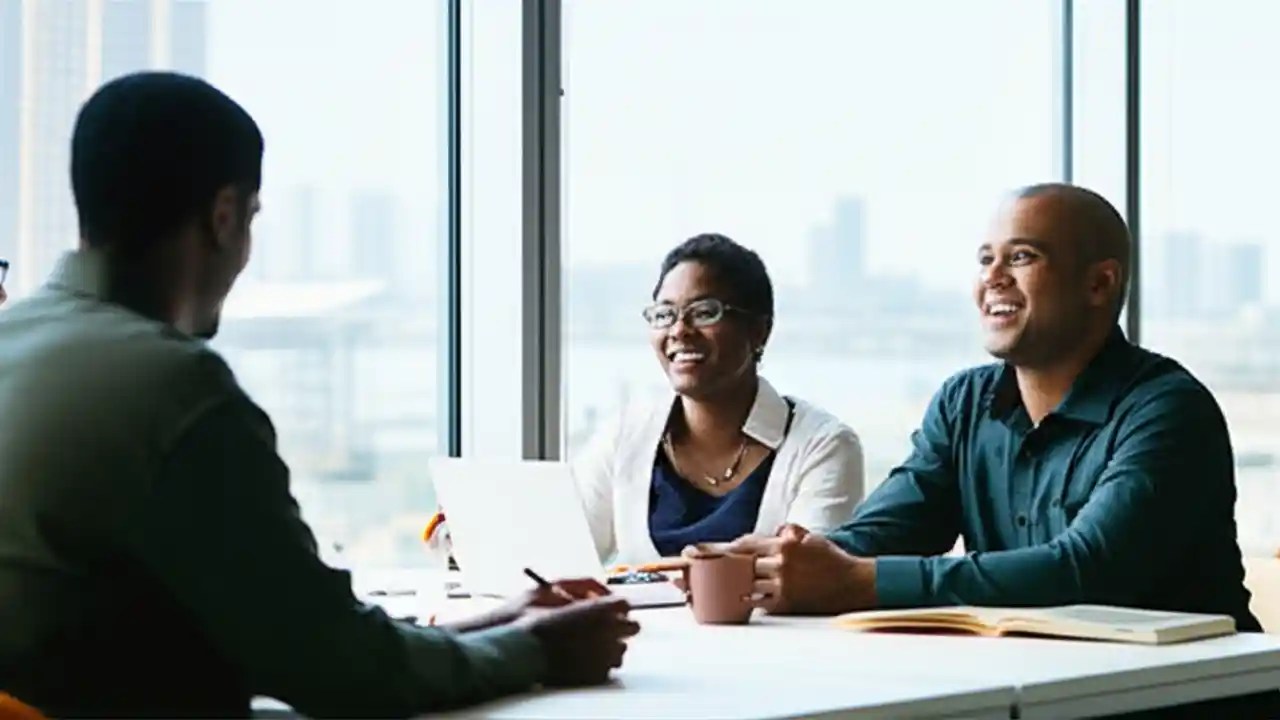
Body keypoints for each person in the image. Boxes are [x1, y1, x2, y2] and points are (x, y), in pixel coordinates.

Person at [0, 72, 638, 719]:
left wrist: (494, 628)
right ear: (223, 218)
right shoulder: (174, 389)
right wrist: (532, 651)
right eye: (249, 218)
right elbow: (341, 674)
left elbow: (293, 641)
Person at [709, 183, 1275, 717]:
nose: (993, 279)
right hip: (1043, 693)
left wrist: (856, 581)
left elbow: (1087, 571)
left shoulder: (1167, 409)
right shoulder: (965, 402)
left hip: (1193, 697)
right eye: (985, 261)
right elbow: (889, 530)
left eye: (1021, 257)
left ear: (1099, 284)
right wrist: (783, 561)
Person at [573, 234, 864, 566]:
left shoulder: (823, 445)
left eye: (704, 312)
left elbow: (811, 573)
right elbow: (563, 557)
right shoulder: (624, 434)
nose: (679, 330)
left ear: (759, 331)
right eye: (664, 314)